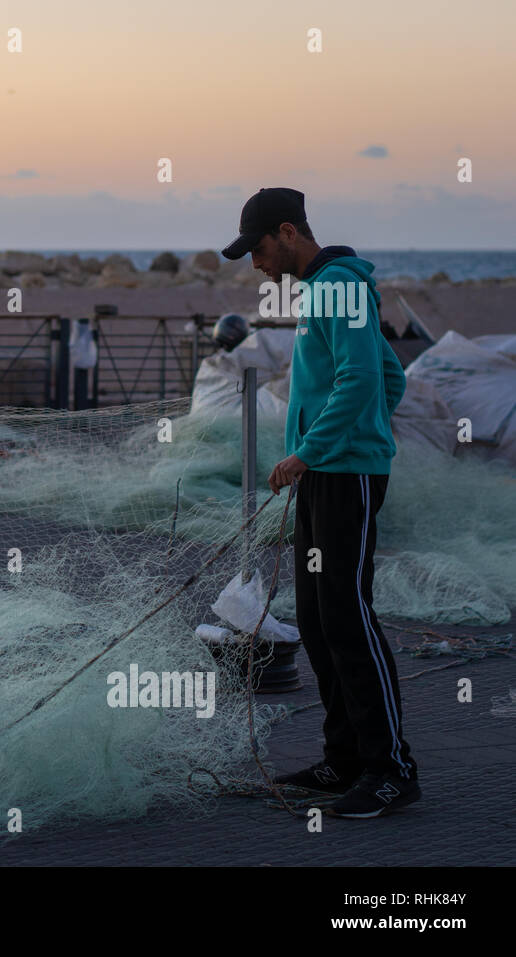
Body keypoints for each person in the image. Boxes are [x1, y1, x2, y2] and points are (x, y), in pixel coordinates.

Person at [222, 187, 419, 818]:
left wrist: (320, 449)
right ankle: (344, 759)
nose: (254, 262)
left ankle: (392, 770)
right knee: (315, 617)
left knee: (348, 614)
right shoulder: (324, 291)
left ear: (286, 232)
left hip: (342, 475)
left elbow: (364, 378)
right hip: (327, 470)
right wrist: (351, 435)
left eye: (256, 248)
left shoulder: (339, 286)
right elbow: (392, 376)